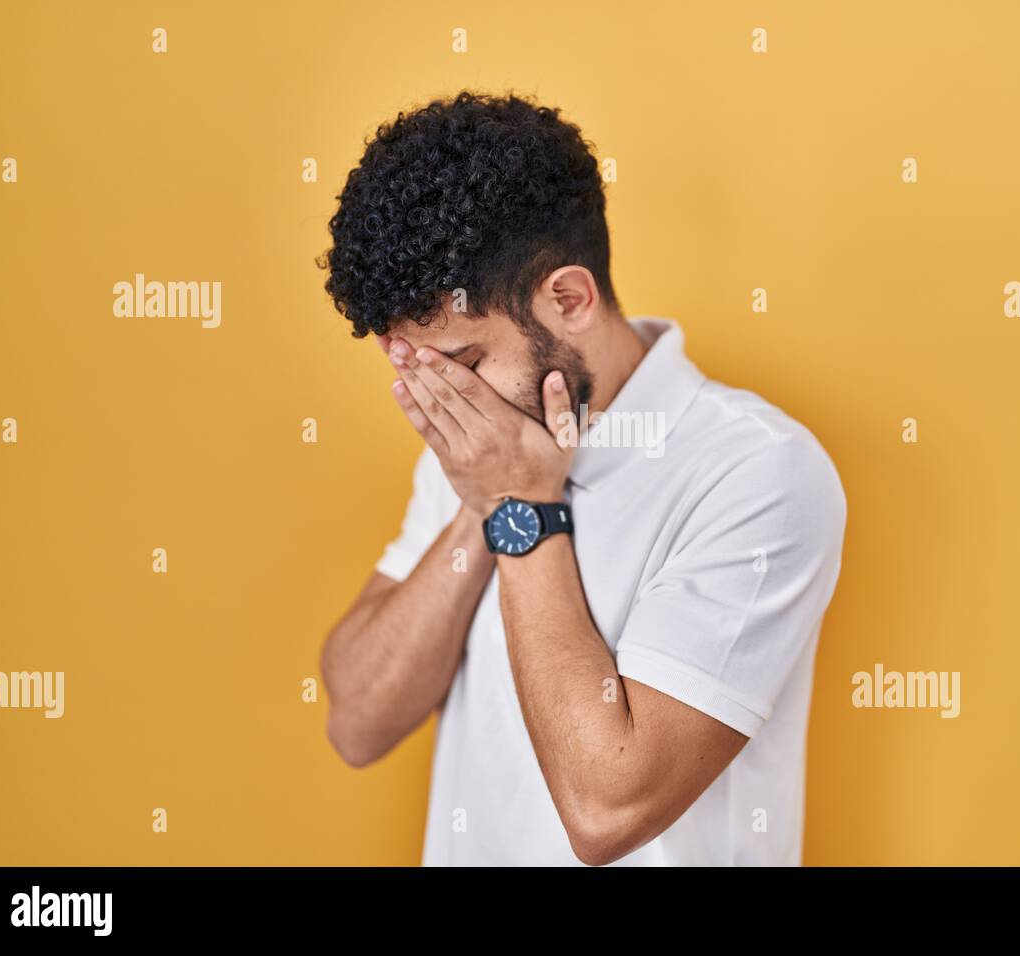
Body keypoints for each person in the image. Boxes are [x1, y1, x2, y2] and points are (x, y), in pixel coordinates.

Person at [318, 91, 847, 865]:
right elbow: (357, 721)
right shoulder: (480, 446)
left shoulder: (757, 471)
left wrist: (521, 506)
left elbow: (606, 809)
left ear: (568, 299)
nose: (447, 401)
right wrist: (479, 505)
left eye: (465, 362)